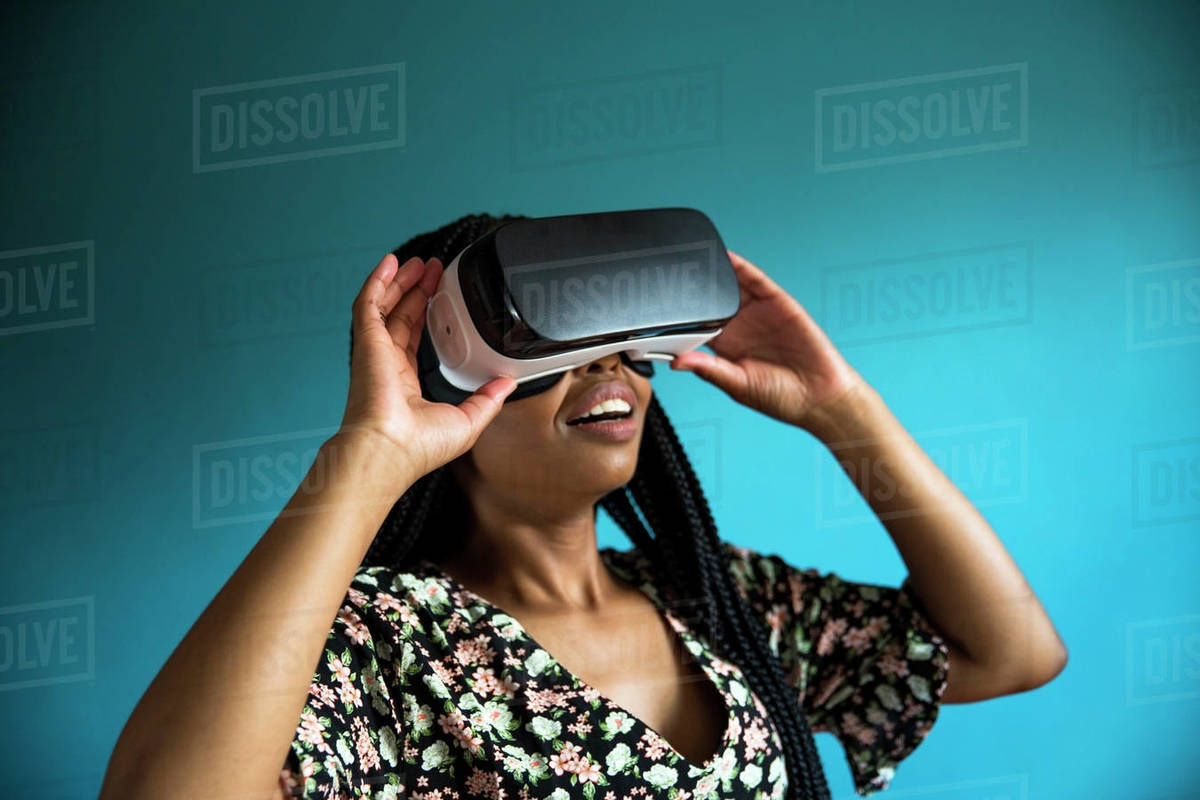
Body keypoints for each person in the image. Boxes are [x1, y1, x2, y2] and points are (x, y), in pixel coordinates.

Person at [99, 213, 1068, 800]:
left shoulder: (719, 599)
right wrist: (368, 457)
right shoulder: (378, 641)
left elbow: (1012, 652)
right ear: (446, 376)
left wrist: (845, 410)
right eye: (550, 340)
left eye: (616, 334)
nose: (606, 363)